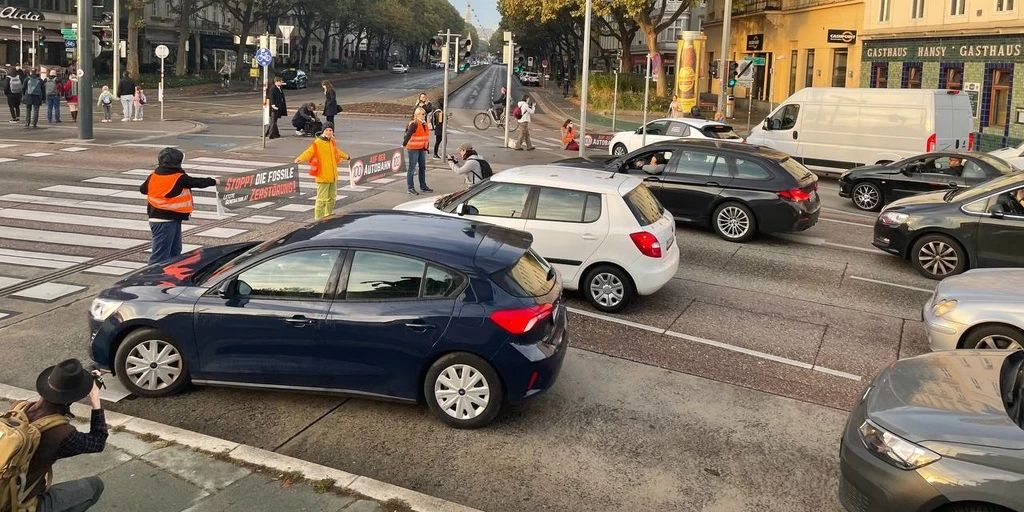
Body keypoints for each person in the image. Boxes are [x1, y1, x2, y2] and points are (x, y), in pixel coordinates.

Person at [13, 358, 107, 512]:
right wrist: (95, 398)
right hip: (21, 504)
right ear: (73, 398)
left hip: (6, 490)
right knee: (94, 486)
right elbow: (98, 442)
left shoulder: (18, 408)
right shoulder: (61, 434)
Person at [139, 147, 217, 264]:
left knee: (174, 251)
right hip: (164, 222)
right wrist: (214, 181)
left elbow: (143, 189)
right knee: (160, 255)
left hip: (167, 218)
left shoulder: (154, 175)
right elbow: (197, 182)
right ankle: (152, 278)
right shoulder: (178, 178)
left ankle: (170, 275)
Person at [295, 122, 350, 220]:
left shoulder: (331, 142)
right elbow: (309, 152)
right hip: (322, 175)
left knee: (332, 197)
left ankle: (328, 214)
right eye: (327, 130)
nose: (329, 132)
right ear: (323, 131)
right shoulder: (318, 142)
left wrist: (347, 156)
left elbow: (336, 151)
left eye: (331, 130)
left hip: (332, 176)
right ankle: (318, 219)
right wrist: (300, 158)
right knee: (321, 199)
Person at [403, 107, 432, 195]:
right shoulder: (414, 123)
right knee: (412, 169)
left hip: (421, 148)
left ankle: (423, 186)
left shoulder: (423, 124)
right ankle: (410, 188)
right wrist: (404, 144)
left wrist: (426, 147)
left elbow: (425, 137)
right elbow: (407, 135)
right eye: (423, 114)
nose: (424, 115)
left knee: (422, 167)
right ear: (417, 114)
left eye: (425, 114)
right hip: (413, 148)